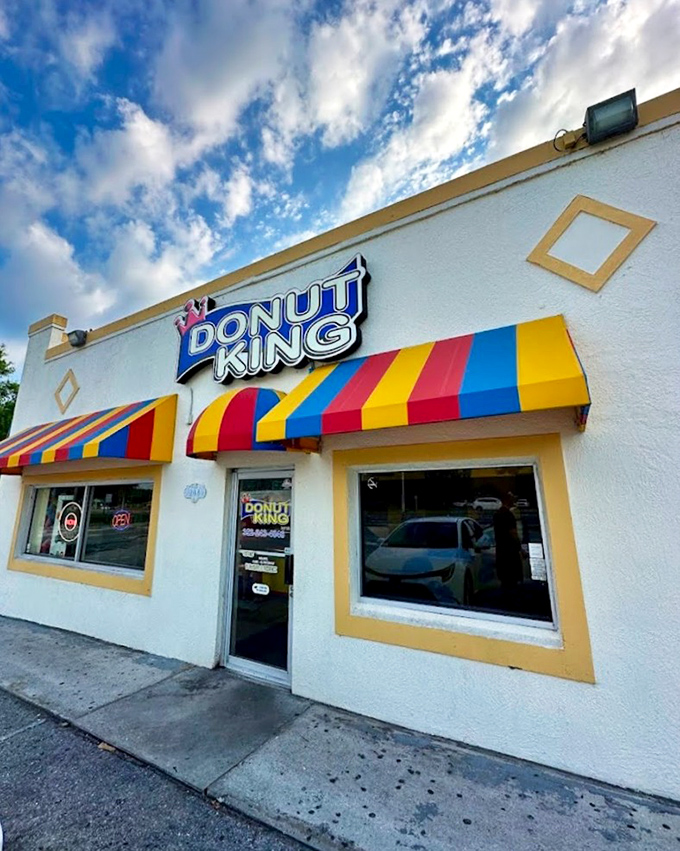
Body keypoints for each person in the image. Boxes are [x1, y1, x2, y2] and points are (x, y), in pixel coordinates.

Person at [493, 492, 523, 592]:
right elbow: (513, 533)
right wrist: (520, 548)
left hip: (501, 550)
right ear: (507, 500)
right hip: (510, 552)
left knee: (504, 579)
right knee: (511, 580)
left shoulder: (497, 515)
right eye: (511, 499)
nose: (513, 501)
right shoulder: (508, 515)